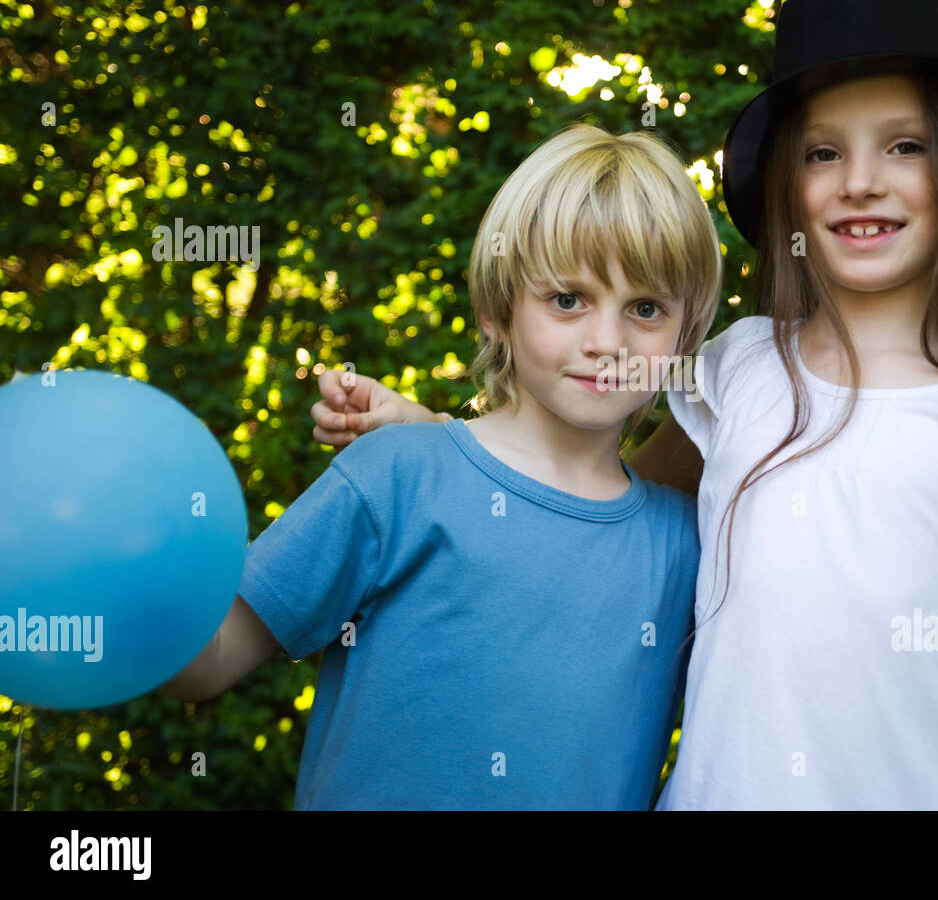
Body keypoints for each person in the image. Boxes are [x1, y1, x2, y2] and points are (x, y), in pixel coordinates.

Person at [312, 0, 938, 809]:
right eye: (824, 152)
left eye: (906, 145)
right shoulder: (738, 369)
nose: (861, 179)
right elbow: (601, 514)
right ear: (788, 184)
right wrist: (443, 448)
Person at [161, 123, 724, 809]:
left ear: (686, 335)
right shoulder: (397, 474)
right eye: (567, 299)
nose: (606, 341)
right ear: (496, 312)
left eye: (645, 308)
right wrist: (122, 580)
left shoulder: (686, 546)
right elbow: (212, 658)